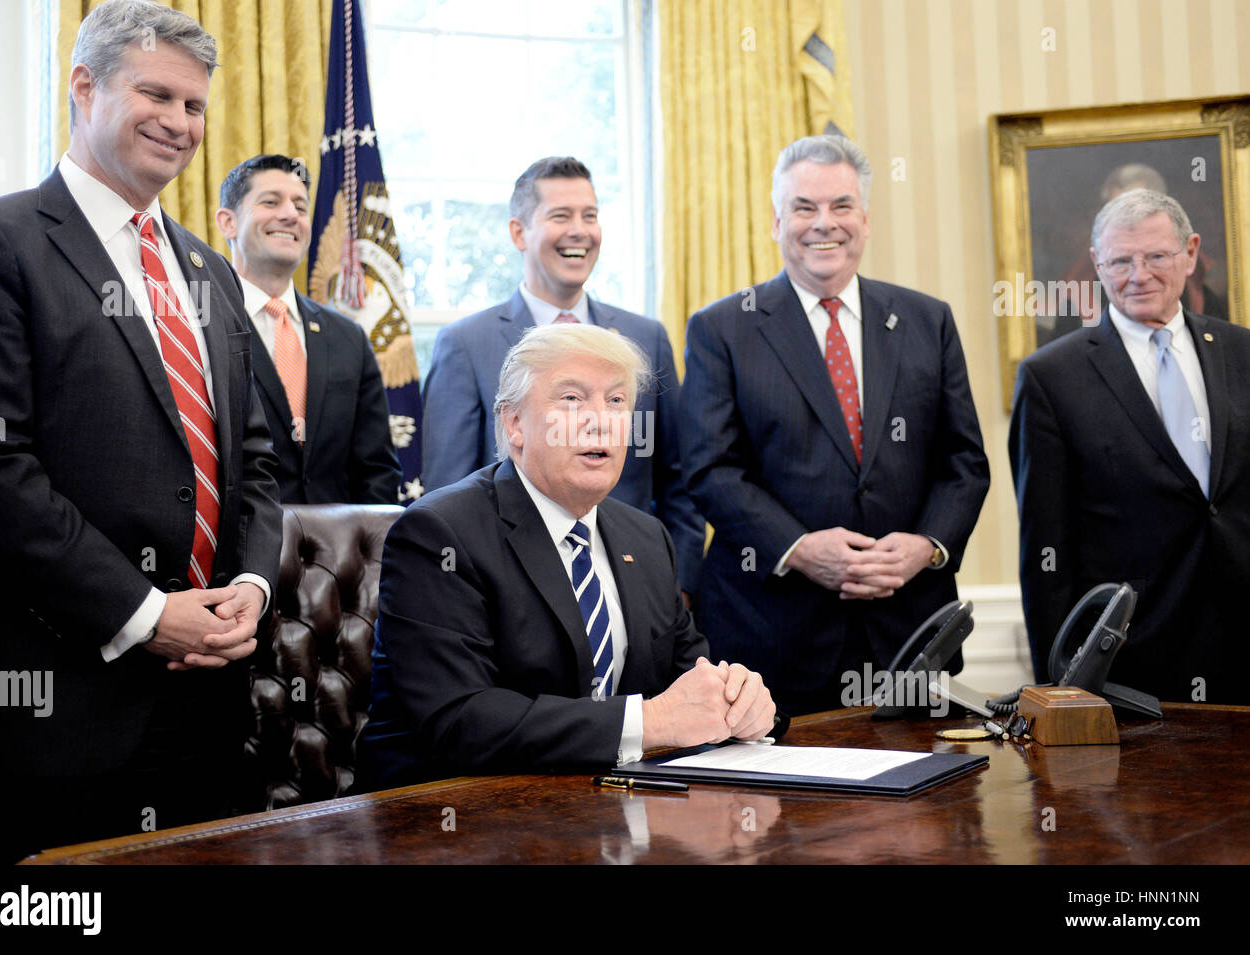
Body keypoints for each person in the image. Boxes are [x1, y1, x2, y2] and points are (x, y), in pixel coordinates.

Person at [0, 0, 283, 862]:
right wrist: (144, 612)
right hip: (61, 715)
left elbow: (251, 456)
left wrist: (249, 585)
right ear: (85, 87)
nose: (179, 123)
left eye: (195, 105)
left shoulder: (211, 267)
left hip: (213, 700)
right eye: (157, 95)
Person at [360, 323, 779, 785]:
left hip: (606, 814)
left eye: (617, 401)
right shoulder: (439, 534)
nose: (600, 420)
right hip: (449, 821)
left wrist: (740, 706)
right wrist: (653, 722)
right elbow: (461, 722)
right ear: (515, 424)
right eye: (572, 400)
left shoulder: (646, 538)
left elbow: (689, 682)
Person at [679, 135, 990, 715]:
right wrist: (797, 548)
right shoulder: (723, 328)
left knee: (929, 802)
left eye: (841, 206)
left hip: (910, 631)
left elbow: (964, 464)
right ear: (776, 222)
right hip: (772, 637)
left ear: (866, 220)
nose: (825, 224)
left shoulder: (928, 320)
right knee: (780, 807)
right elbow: (709, 470)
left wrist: (927, 545)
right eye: (804, 208)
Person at [421, 156, 704, 594]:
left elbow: (679, 480)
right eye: (561, 216)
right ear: (519, 232)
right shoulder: (464, 343)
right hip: (509, 592)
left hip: (633, 591)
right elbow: (446, 494)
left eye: (590, 216)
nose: (580, 230)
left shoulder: (646, 338)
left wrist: (678, 587)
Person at [1009, 189, 1250, 704]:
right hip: (1131, 662)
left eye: (1157, 256)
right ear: (1097, 263)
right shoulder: (1052, 377)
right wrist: (1062, 688)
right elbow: (1044, 551)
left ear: (1190, 253)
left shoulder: (1242, 352)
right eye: (1120, 260)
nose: (1138, 275)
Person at [216, 154, 401, 505]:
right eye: (271, 202)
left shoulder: (348, 338)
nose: (290, 215)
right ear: (228, 222)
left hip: (339, 554)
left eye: (300, 206)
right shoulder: (199, 326)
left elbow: (377, 470)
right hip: (237, 553)